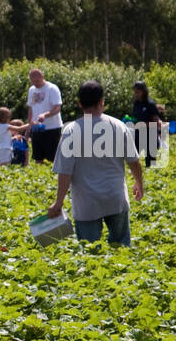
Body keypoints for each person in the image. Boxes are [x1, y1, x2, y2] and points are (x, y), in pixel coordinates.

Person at [46, 80, 144, 247]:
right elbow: (134, 162)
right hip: (116, 198)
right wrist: (139, 184)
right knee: (121, 249)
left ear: (79, 104)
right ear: (102, 102)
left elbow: (65, 172)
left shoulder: (71, 130)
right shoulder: (118, 126)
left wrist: (59, 201)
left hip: (86, 203)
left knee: (90, 254)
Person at [26, 68, 64, 165]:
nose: (35, 83)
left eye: (37, 81)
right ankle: (40, 175)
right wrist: (29, 125)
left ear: (43, 77)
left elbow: (57, 108)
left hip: (52, 127)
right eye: (33, 81)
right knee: (38, 156)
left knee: (53, 156)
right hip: (36, 128)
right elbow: (31, 108)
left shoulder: (52, 88)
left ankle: (53, 176)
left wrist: (45, 115)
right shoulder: (32, 90)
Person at [130, 82, 164, 168]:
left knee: (151, 164)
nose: (136, 94)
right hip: (138, 135)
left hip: (150, 136)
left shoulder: (150, 104)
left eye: (137, 92)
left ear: (143, 91)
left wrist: (142, 125)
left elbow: (156, 123)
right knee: (133, 159)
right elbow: (136, 118)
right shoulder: (136, 104)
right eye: (135, 92)